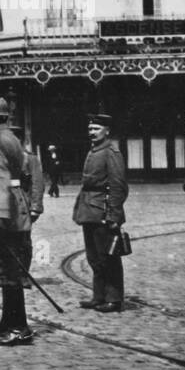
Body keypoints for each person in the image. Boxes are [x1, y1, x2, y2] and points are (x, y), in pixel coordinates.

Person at [0, 97, 36, 346]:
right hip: (18, 207)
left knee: (9, 270)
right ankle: (8, 319)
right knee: (11, 268)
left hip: (4, 216)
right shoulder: (11, 138)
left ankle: (19, 327)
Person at [72, 113, 127, 312]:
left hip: (103, 212)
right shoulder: (94, 150)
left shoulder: (111, 151)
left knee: (109, 257)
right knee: (94, 257)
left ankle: (114, 299)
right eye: (90, 129)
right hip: (89, 211)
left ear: (107, 131)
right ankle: (99, 296)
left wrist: (114, 214)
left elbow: (118, 185)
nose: (92, 132)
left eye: (96, 129)